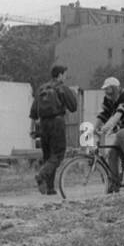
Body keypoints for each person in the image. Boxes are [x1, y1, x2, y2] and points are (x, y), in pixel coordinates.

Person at [30, 64, 78, 196]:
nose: (66, 77)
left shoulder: (41, 88)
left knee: (48, 156)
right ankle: (42, 175)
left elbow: (33, 112)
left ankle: (50, 188)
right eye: (65, 74)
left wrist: (33, 130)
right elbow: (73, 107)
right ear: (60, 75)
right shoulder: (61, 87)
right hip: (57, 122)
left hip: (43, 124)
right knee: (57, 154)